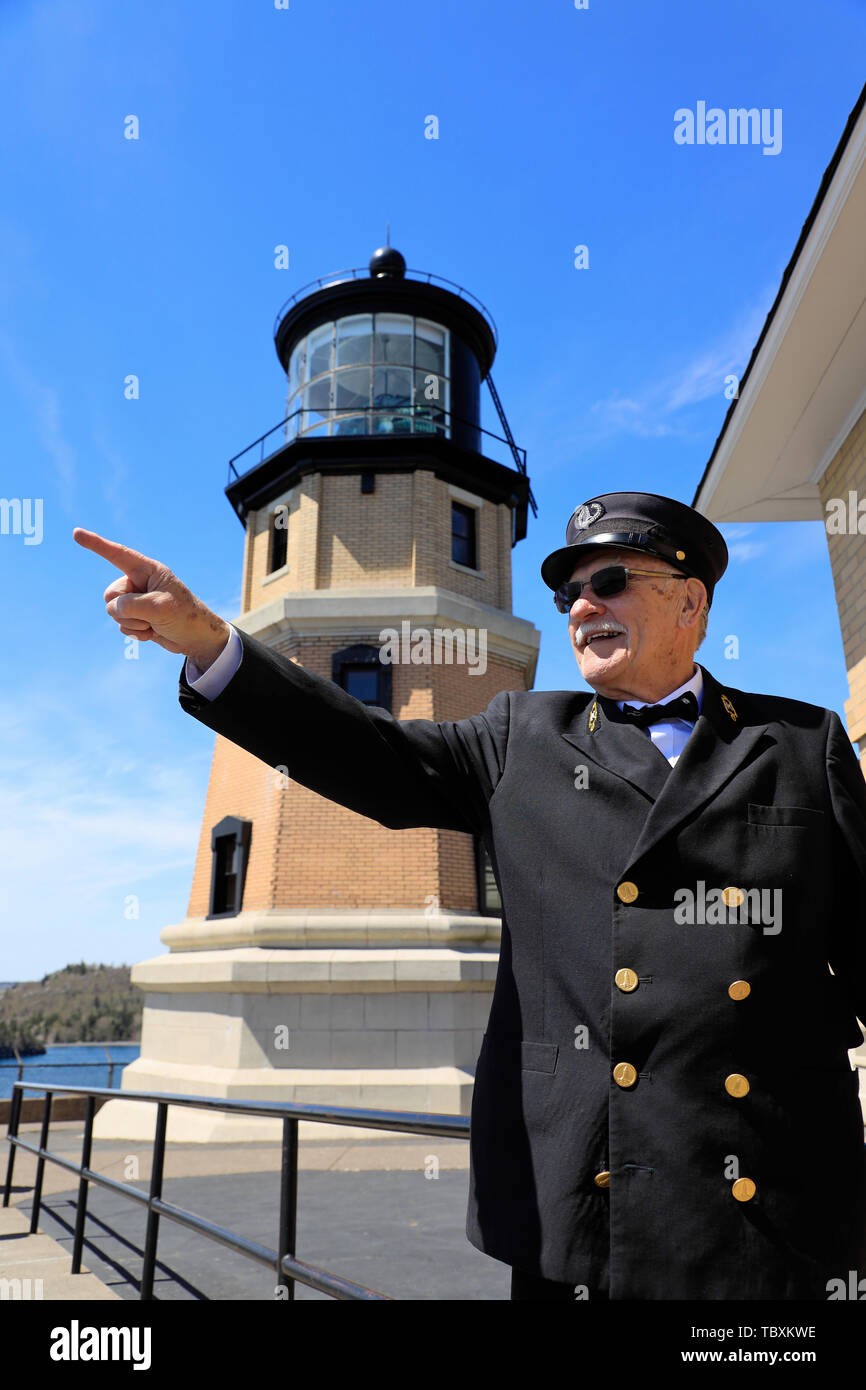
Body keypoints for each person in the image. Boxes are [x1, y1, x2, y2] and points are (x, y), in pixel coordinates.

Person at [73, 491, 866, 1301]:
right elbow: (364, 751)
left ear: (690, 600)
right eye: (568, 593)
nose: (583, 605)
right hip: (590, 1206)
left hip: (771, 1203)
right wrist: (209, 640)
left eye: (612, 580)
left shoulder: (803, 745)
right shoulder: (519, 736)